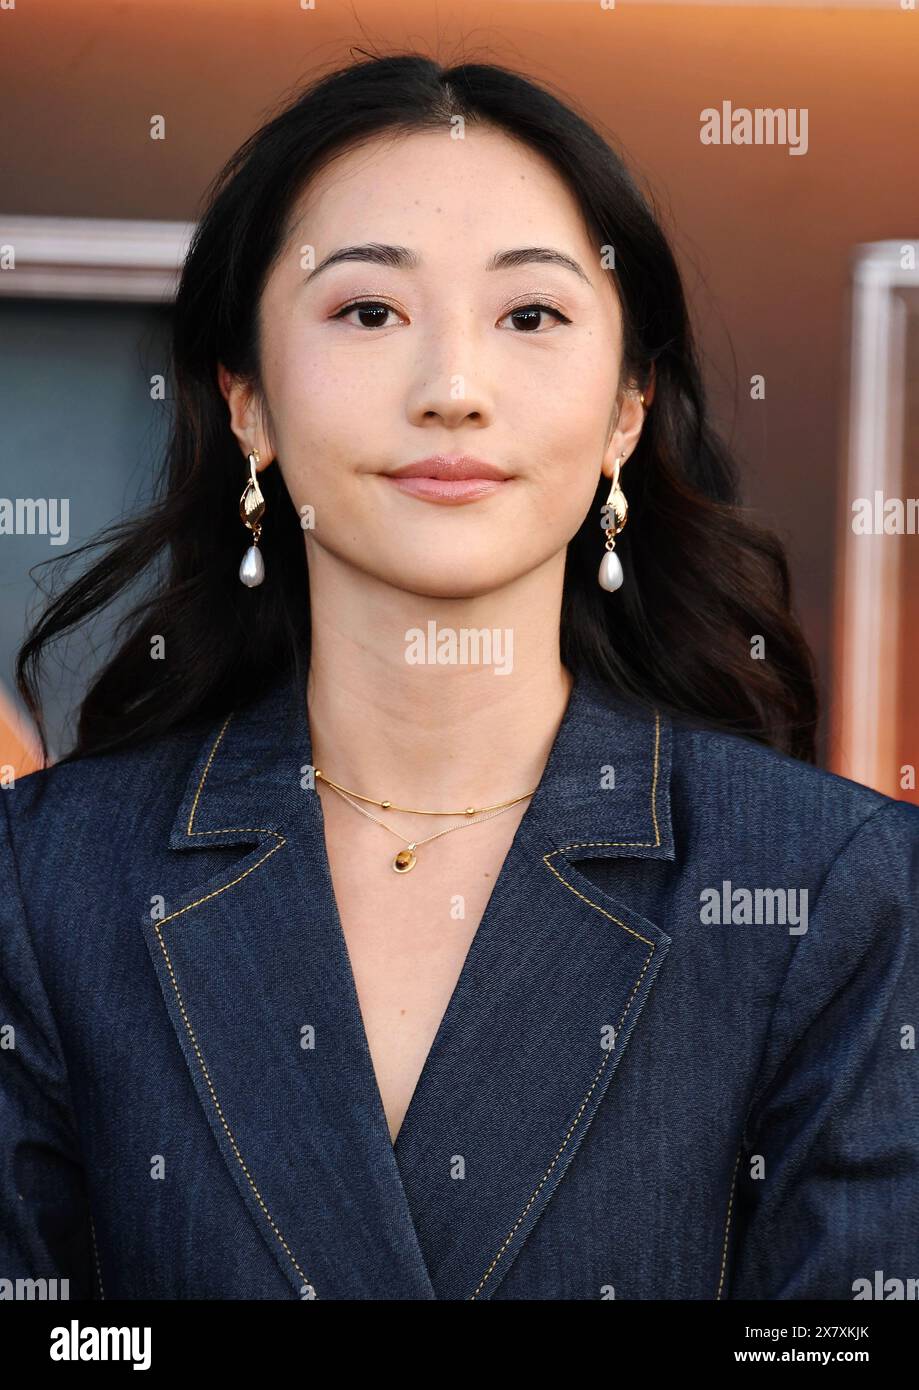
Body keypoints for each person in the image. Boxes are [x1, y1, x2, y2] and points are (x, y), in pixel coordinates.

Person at [2, 53, 917, 1303]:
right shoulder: (48, 883)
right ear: (248, 399)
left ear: (625, 414)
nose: (452, 392)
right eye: (368, 311)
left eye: (531, 316)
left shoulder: (827, 890)